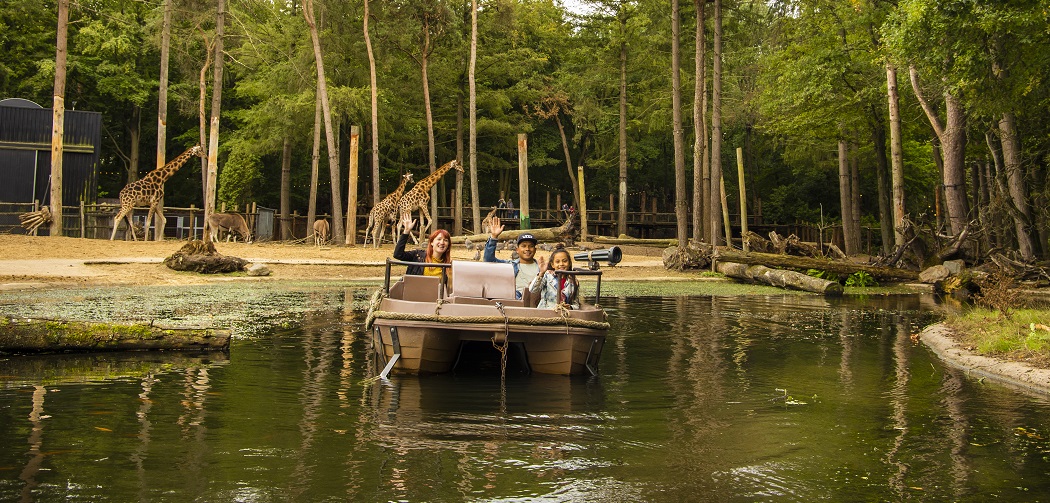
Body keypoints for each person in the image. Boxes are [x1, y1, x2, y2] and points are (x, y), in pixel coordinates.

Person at [483, 216, 538, 299]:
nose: (527, 249)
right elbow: (488, 260)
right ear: (517, 250)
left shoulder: (541, 268)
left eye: (531, 246)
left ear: (535, 250)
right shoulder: (510, 265)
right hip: (514, 301)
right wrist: (494, 237)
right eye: (523, 246)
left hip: (537, 302)